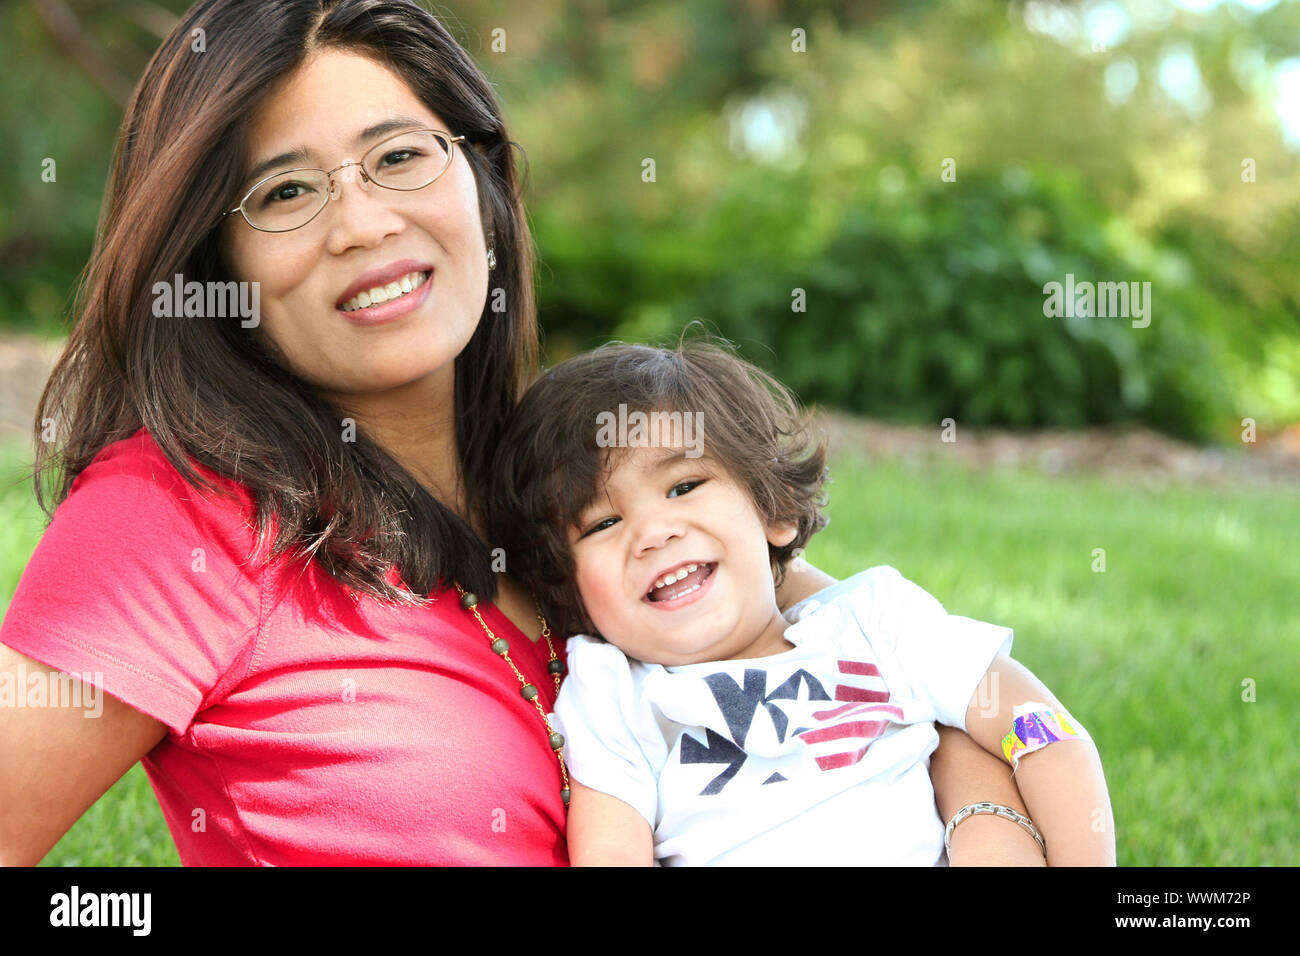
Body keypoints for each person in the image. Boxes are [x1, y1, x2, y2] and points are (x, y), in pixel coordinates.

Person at [0, 0, 1037, 866]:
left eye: (399, 155)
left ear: (486, 186)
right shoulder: (170, 520)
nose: (360, 223)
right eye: (284, 192)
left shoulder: (580, 479)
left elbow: (920, 682)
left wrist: (983, 813)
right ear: (215, 270)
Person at [487, 339, 1116, 865]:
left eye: (684, 485)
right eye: (601, 523)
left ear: (774, 510)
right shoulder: (615, 695)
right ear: (567, 586)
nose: (654, 532)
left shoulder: (879, 623)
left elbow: (1046, 737)